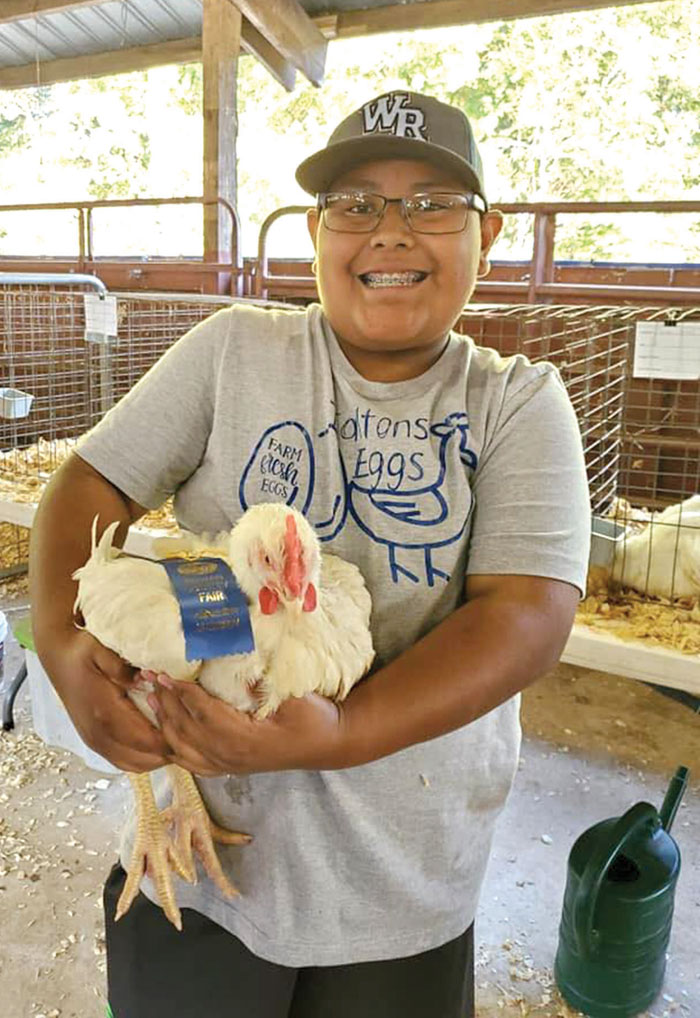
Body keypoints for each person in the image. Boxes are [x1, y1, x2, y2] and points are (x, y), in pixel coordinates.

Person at [29, 90, 590, 1018]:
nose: (392, 233)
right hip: (201, 847)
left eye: (433, 205)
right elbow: (88, 482)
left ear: (487, 237)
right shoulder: (236, 350)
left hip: (402, 877)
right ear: (318, 236)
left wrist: (343, 736)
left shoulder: (519, 402)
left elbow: (526, 615)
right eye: (356, 204)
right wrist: (59, 642)